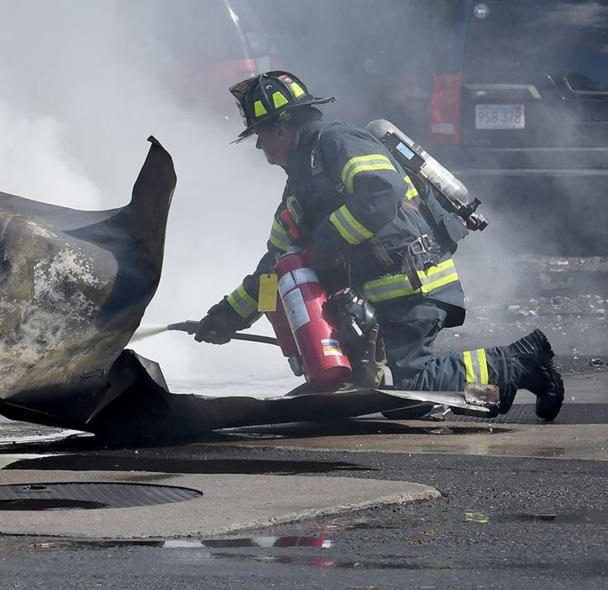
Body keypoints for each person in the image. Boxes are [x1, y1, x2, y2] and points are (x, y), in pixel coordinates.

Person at [195, 70, 563, 420]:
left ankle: (518, 360)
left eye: (260, 133)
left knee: (407, 387)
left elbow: (382, 190)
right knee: (401, 399)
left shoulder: (336, 142)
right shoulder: (298, 187)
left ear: (283, 125)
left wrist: (325, 242)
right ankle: (509, 381)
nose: (258, 145)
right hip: (390, 295)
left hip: (415, 283)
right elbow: (274, 266)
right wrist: (228, 316)